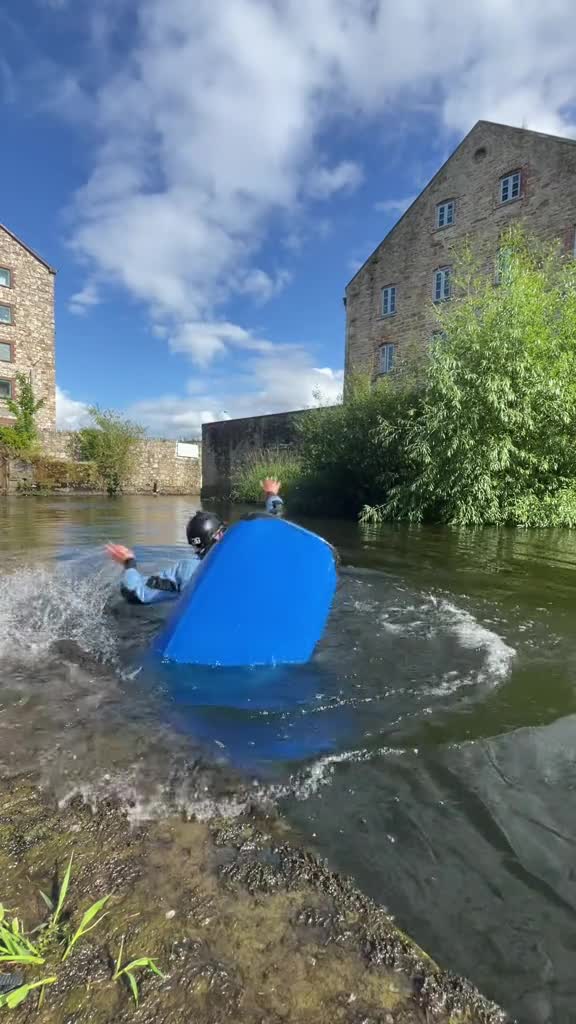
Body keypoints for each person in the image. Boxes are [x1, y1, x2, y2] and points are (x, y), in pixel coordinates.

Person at [106, 478, 283, 605]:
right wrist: (271, 494)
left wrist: (129, 562)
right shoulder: (249, 548)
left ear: (194, 544)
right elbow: (275, 517)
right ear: (220, 535)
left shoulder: (185, 571)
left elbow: (133, 592)